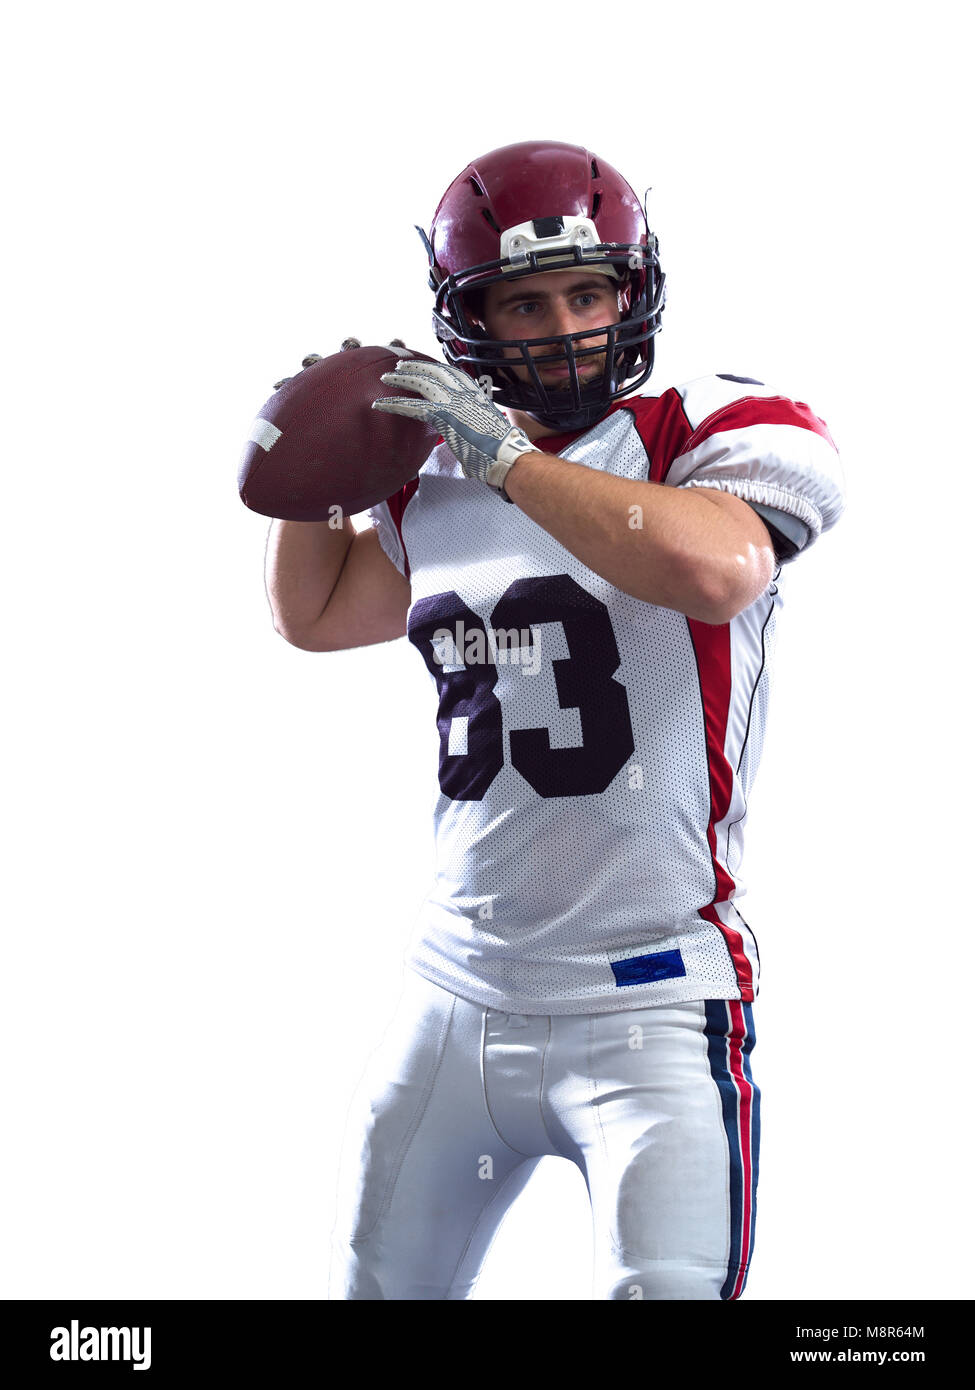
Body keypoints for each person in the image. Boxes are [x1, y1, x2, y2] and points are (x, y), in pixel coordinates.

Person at [265, 140, 845, 1300]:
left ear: (634, 291)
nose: (566, 326)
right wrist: (316, 467)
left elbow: (717, 570)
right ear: (469, 320)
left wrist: (504, 459)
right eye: (525, 303)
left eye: (589, 292)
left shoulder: (714, 427)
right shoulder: (425, 467)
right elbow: (317, 613)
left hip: (654, 1001)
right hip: (456, 989)